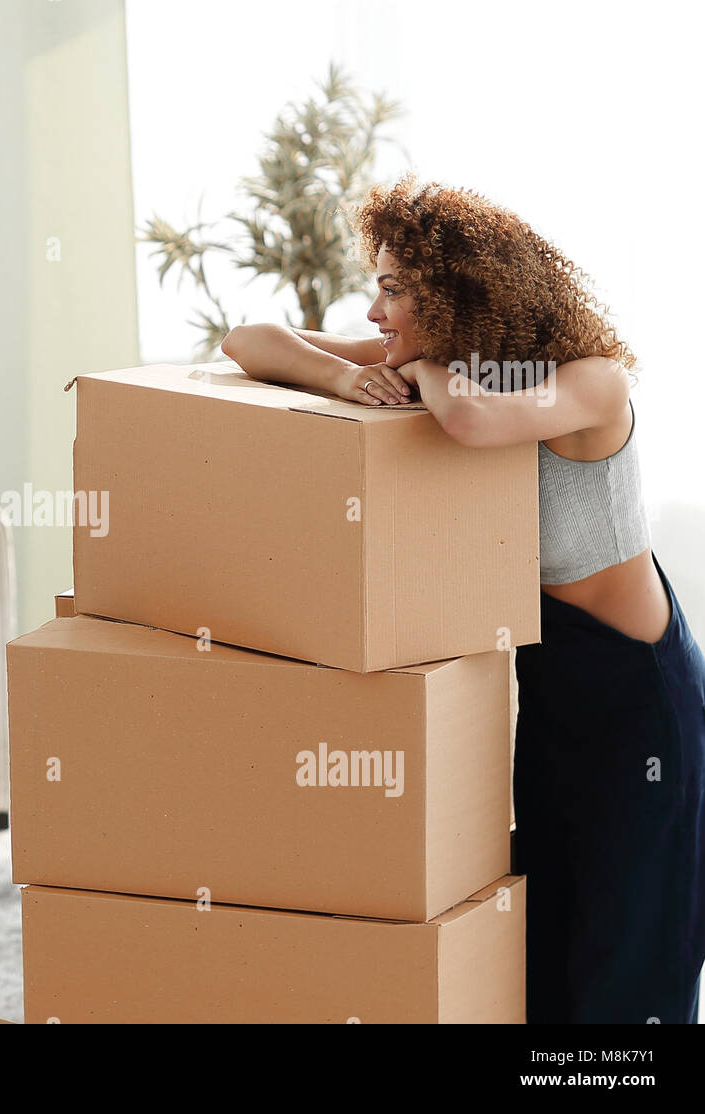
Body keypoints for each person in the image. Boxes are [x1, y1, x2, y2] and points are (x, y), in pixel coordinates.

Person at [222, 172, 705, 1024]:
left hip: (637, 701)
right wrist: (345, 379)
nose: (375, 313)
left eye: (395, 289)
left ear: (456, 294)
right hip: (553, 686)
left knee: (628, 937)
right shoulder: (442, 362)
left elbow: (473, 421)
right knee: (550, 921)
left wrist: (418, 363)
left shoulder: (594, 381)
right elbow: (247, 340)